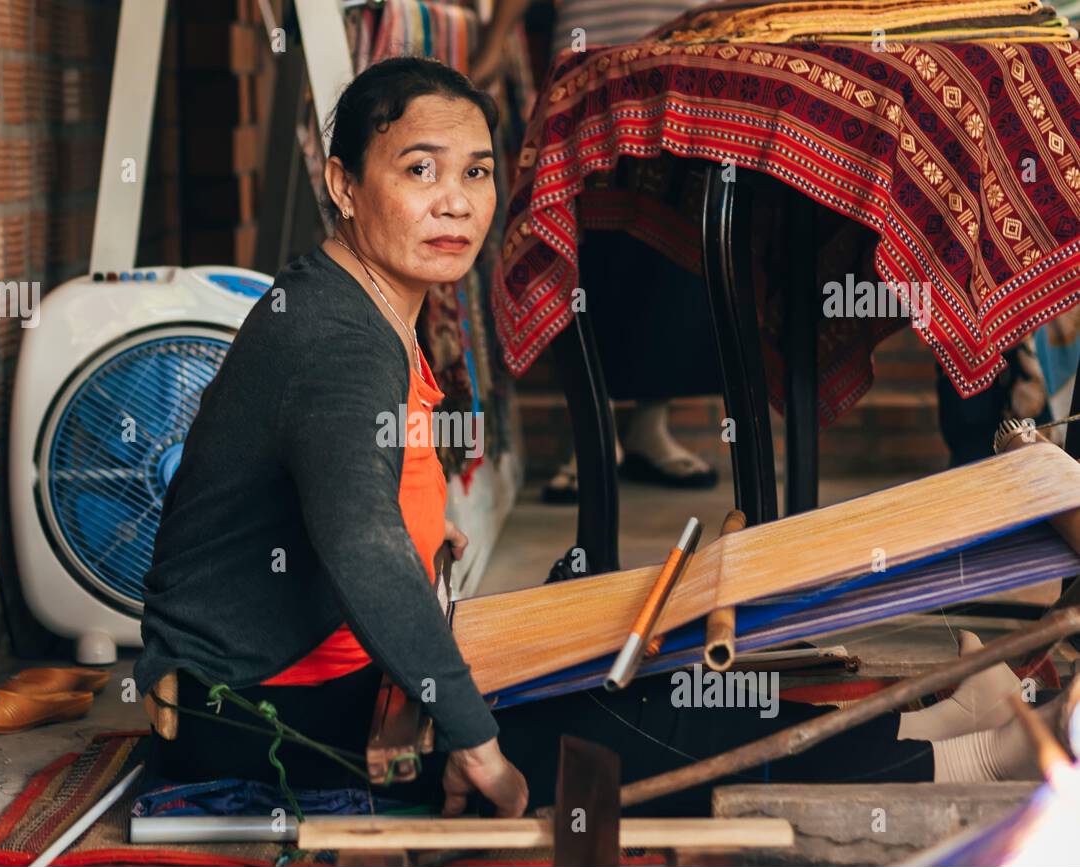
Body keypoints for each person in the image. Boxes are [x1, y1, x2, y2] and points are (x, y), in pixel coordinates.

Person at [133, 56, 1069, 820]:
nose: (455, 201)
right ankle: (969, 754)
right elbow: (360, 547)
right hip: (259, 711)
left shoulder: (354, 303)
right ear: (343, 183)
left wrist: (430, 552)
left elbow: (351, 502)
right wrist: (473, 741)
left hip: (322, 673)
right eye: (417, 170)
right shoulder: (334, 341)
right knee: (598, 741)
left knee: (636, 673)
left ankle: (936, 725)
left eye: (475, 172)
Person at [475, 0, 722, 503]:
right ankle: (593, 437)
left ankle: (649, 430)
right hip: (588, 76)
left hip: (685, 72)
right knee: (584, 251)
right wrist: (494, 45)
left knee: (670, 249)